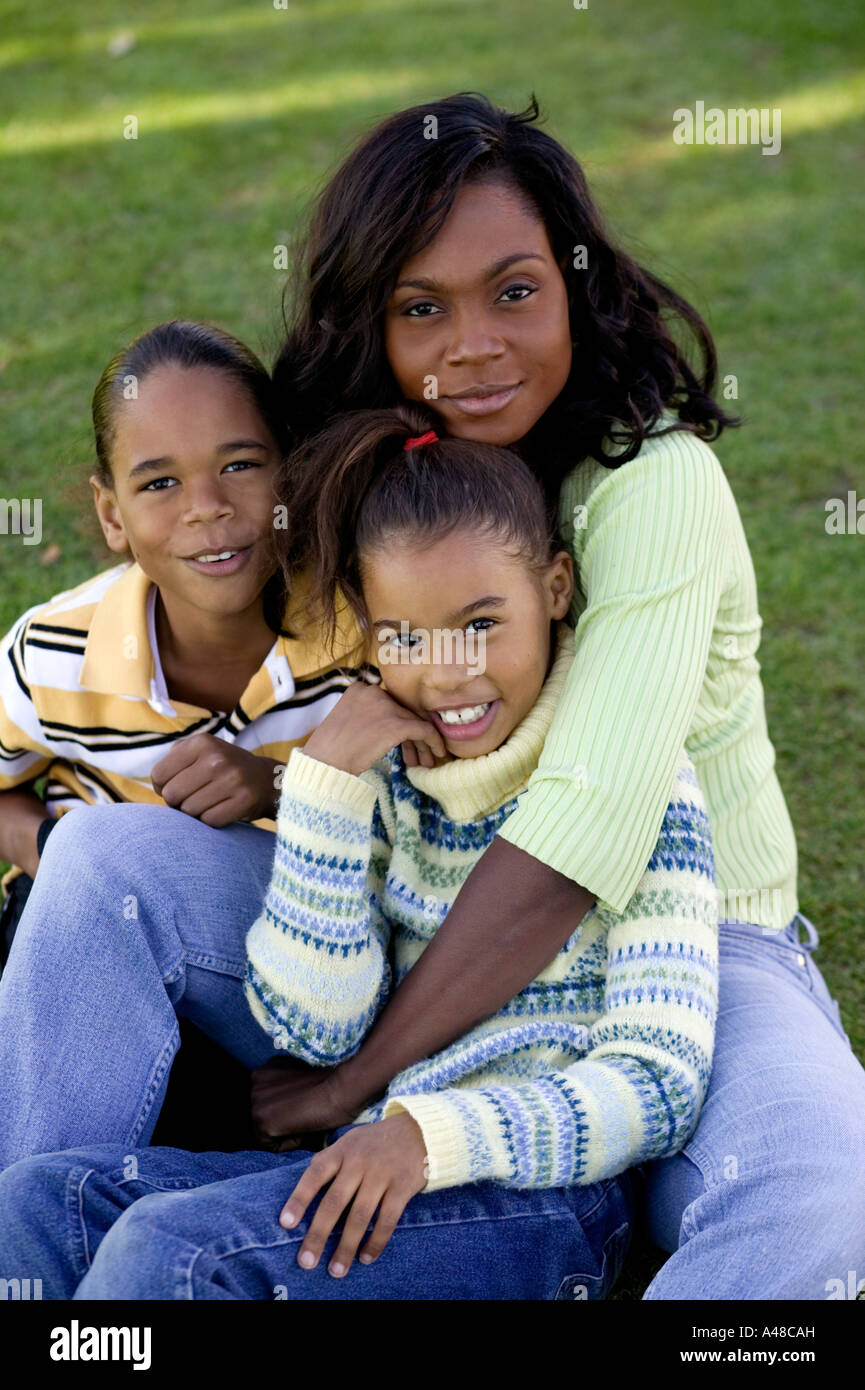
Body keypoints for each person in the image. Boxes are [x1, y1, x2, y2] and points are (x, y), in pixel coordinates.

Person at [0, 92, 862, 1299]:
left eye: (515, 290)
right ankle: (43, 1265)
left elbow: (579, 840)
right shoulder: (378, 470)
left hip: (673, 943)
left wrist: (364, 1086)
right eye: (421, 308)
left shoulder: (651, 488)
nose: (473, 346)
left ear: (576, 288)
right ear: (378, 325)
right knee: (100, 871)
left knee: (822, 1192)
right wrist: (295, 784)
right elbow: (191, 540)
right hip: (407, 903)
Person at [0, 405, 718, 1299]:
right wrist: (326, 788)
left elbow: (658, 1080)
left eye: (482, 623)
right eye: (403, 639)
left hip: (549, 1198)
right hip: (371, 1166)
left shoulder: (633, 775)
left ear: (557, 587)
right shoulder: (388, 772)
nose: (447, 673)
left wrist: (429, 1133)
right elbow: (316, 1029)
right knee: (37, 1205)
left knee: (166, 1257)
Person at [0, 318, 366, 1145]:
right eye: (158, 484)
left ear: (291, 474)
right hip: (89, 964)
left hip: (297, 968)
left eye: (240, 465)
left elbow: (436, 836)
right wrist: (52, 852)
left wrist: (280, 787)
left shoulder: (364, 641)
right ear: (111, 513)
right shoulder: (53, 654)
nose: (207, 509)